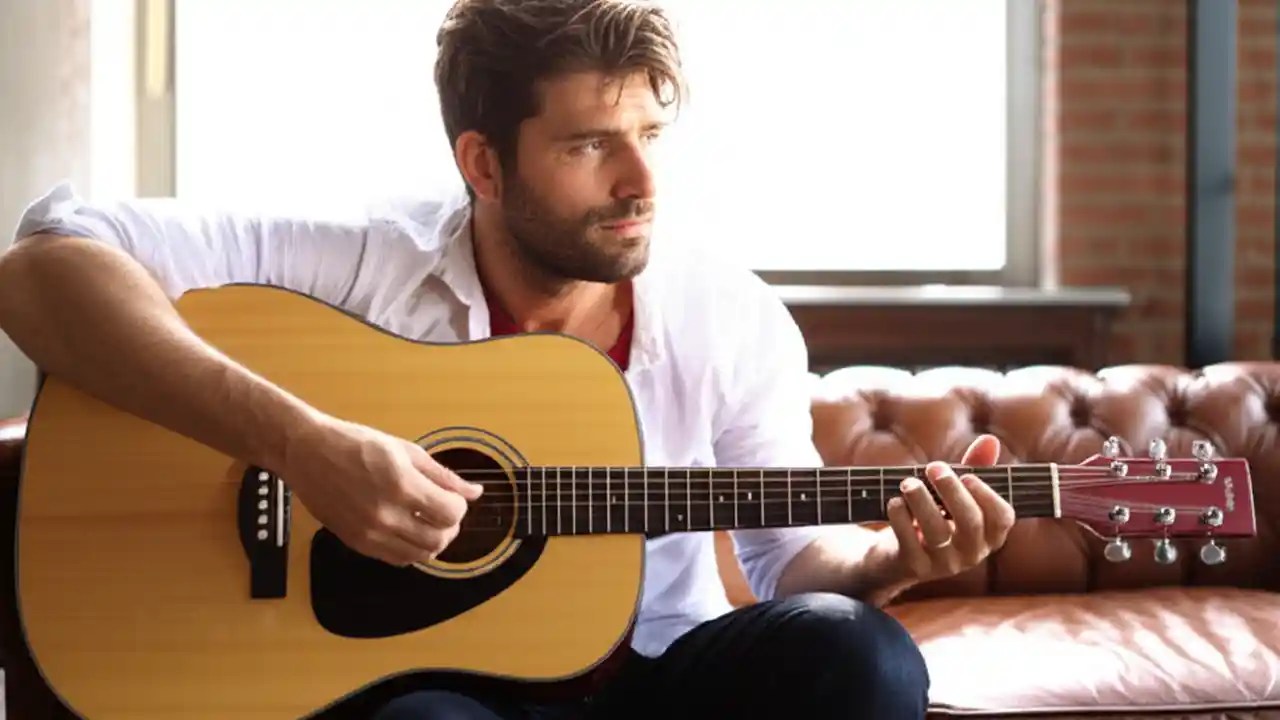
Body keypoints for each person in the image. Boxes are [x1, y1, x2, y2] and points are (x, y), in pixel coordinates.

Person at [0, 1, 1016, 718]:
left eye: (651, 134)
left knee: (858, 655)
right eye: (587, 146)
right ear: (482, 163)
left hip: (657, 674)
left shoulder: (728, 314)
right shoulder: (362, 255)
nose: (638, 181)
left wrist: (892, 558)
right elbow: (41, 269)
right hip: (430, 684)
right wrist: (302, 444)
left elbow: (787, 558)